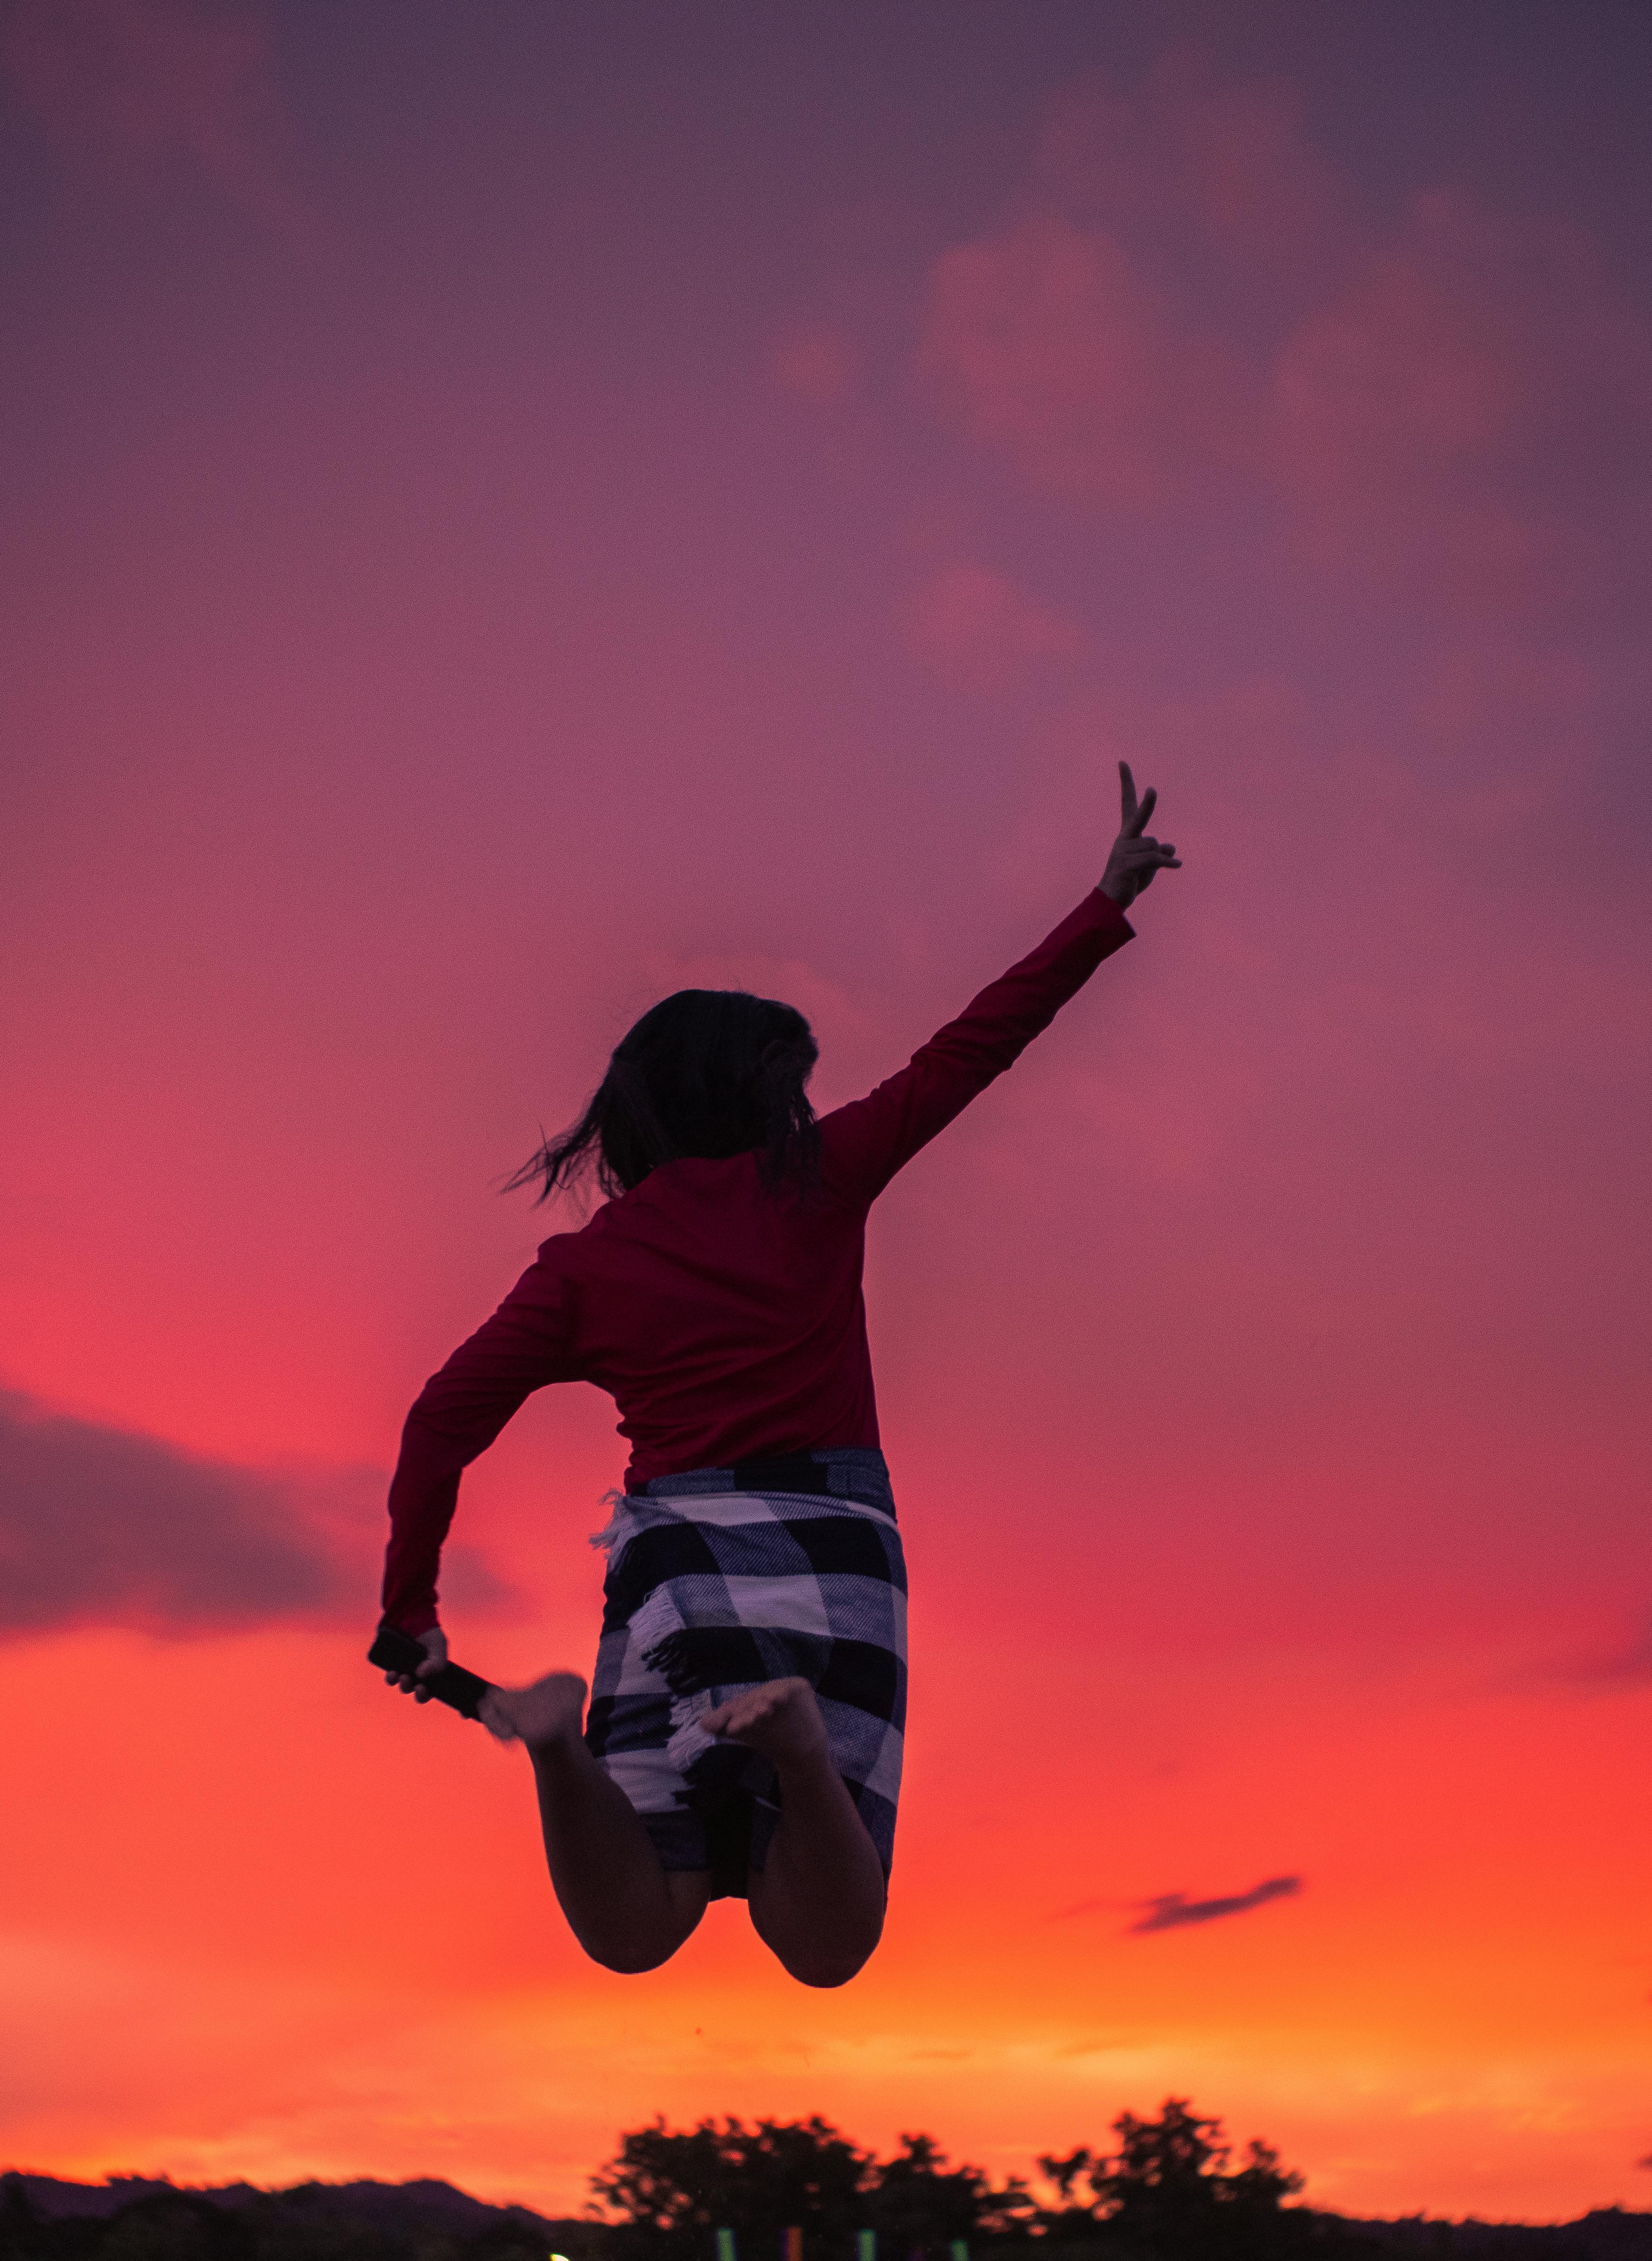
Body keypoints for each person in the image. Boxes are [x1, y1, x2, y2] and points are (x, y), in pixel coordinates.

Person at [377, 764, 1180, 1988]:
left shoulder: (583, 1267)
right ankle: (800, 1756)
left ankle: (552, 1749)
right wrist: (1101, 904)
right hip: (831, 1540)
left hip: (677, 1562)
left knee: (636, 1931)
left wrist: (410, 1609)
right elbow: (970, 1050)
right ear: (758, 1098)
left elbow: (440, 1420)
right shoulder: (818, 1180)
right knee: (823, 1945)